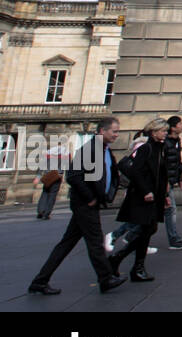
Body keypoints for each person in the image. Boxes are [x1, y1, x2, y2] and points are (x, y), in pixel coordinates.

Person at [27, 117, 127, 295]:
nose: (116, 135)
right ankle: (106, 279)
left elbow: (105, 174)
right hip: (84, 204)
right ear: (102, 131)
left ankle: (40, 281)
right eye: (114, 131)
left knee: (67, 244)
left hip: (90, 203)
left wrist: (106, 193)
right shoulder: (90, 149)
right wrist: (90, 197)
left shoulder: (102, 149)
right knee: (95, 242)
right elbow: (73, 176)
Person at [105, 118, 171, 282]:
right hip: (143, 198)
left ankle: (132, 266)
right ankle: (130, 264)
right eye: (163, 130)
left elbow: (161, 175)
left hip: (154, 196)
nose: (165, 133)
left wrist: (165, 197)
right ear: (154, 131)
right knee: (146, 230)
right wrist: (146, 191)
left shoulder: (160, 148)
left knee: (147, 231)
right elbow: (136, 171)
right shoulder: (146, 148)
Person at [162, 115, 182, 249]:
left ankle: (124, 235)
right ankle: (174, 240)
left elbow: (177, 161)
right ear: (173, 128)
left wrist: (179, 178)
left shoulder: (176, 141)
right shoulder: (165, 143)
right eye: (180, 124)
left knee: (163, 211)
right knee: (170, 210)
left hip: (170, 180)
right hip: (164, 182)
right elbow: (164, 165)